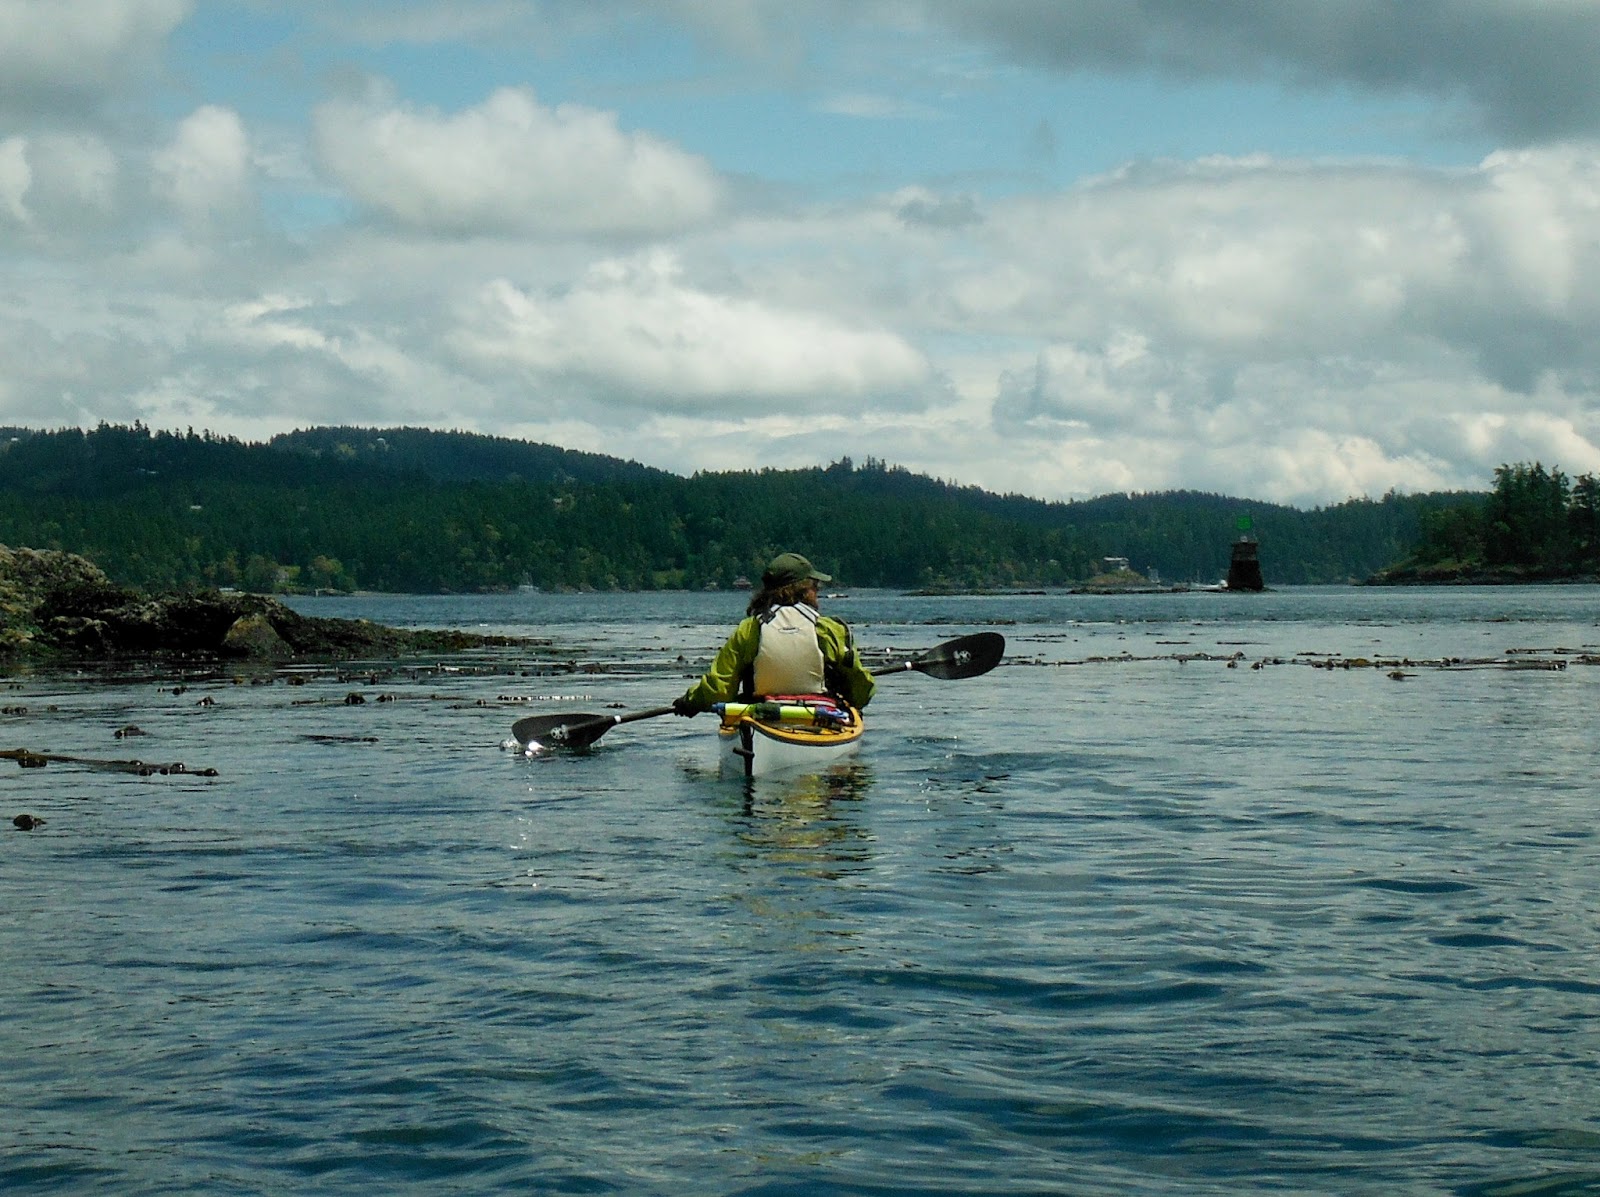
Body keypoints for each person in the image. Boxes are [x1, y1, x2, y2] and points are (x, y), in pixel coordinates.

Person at [673, 552, 876, 717]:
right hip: (819, 718)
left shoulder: (750, 629)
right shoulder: (830, 630)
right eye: (815, 587)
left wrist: (691, 701)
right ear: (803, 590)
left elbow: (718, 690)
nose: (817, 593)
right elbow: (861, 692)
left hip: (761, 720)